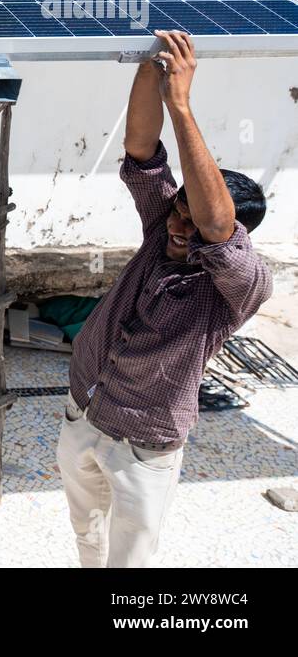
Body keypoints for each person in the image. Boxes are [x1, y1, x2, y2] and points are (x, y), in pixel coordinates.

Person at [57, 30, 272, 568]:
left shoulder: (239, 286)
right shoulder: (162, 227)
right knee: (85, 534)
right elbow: (140, 149)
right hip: (82, 411)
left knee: (129, 564)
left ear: (239, 237)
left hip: (142, 448)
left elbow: (215, 222)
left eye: (191, 218)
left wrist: (182, 103)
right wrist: (154, 70)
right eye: (177, 209)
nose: (180, 225)